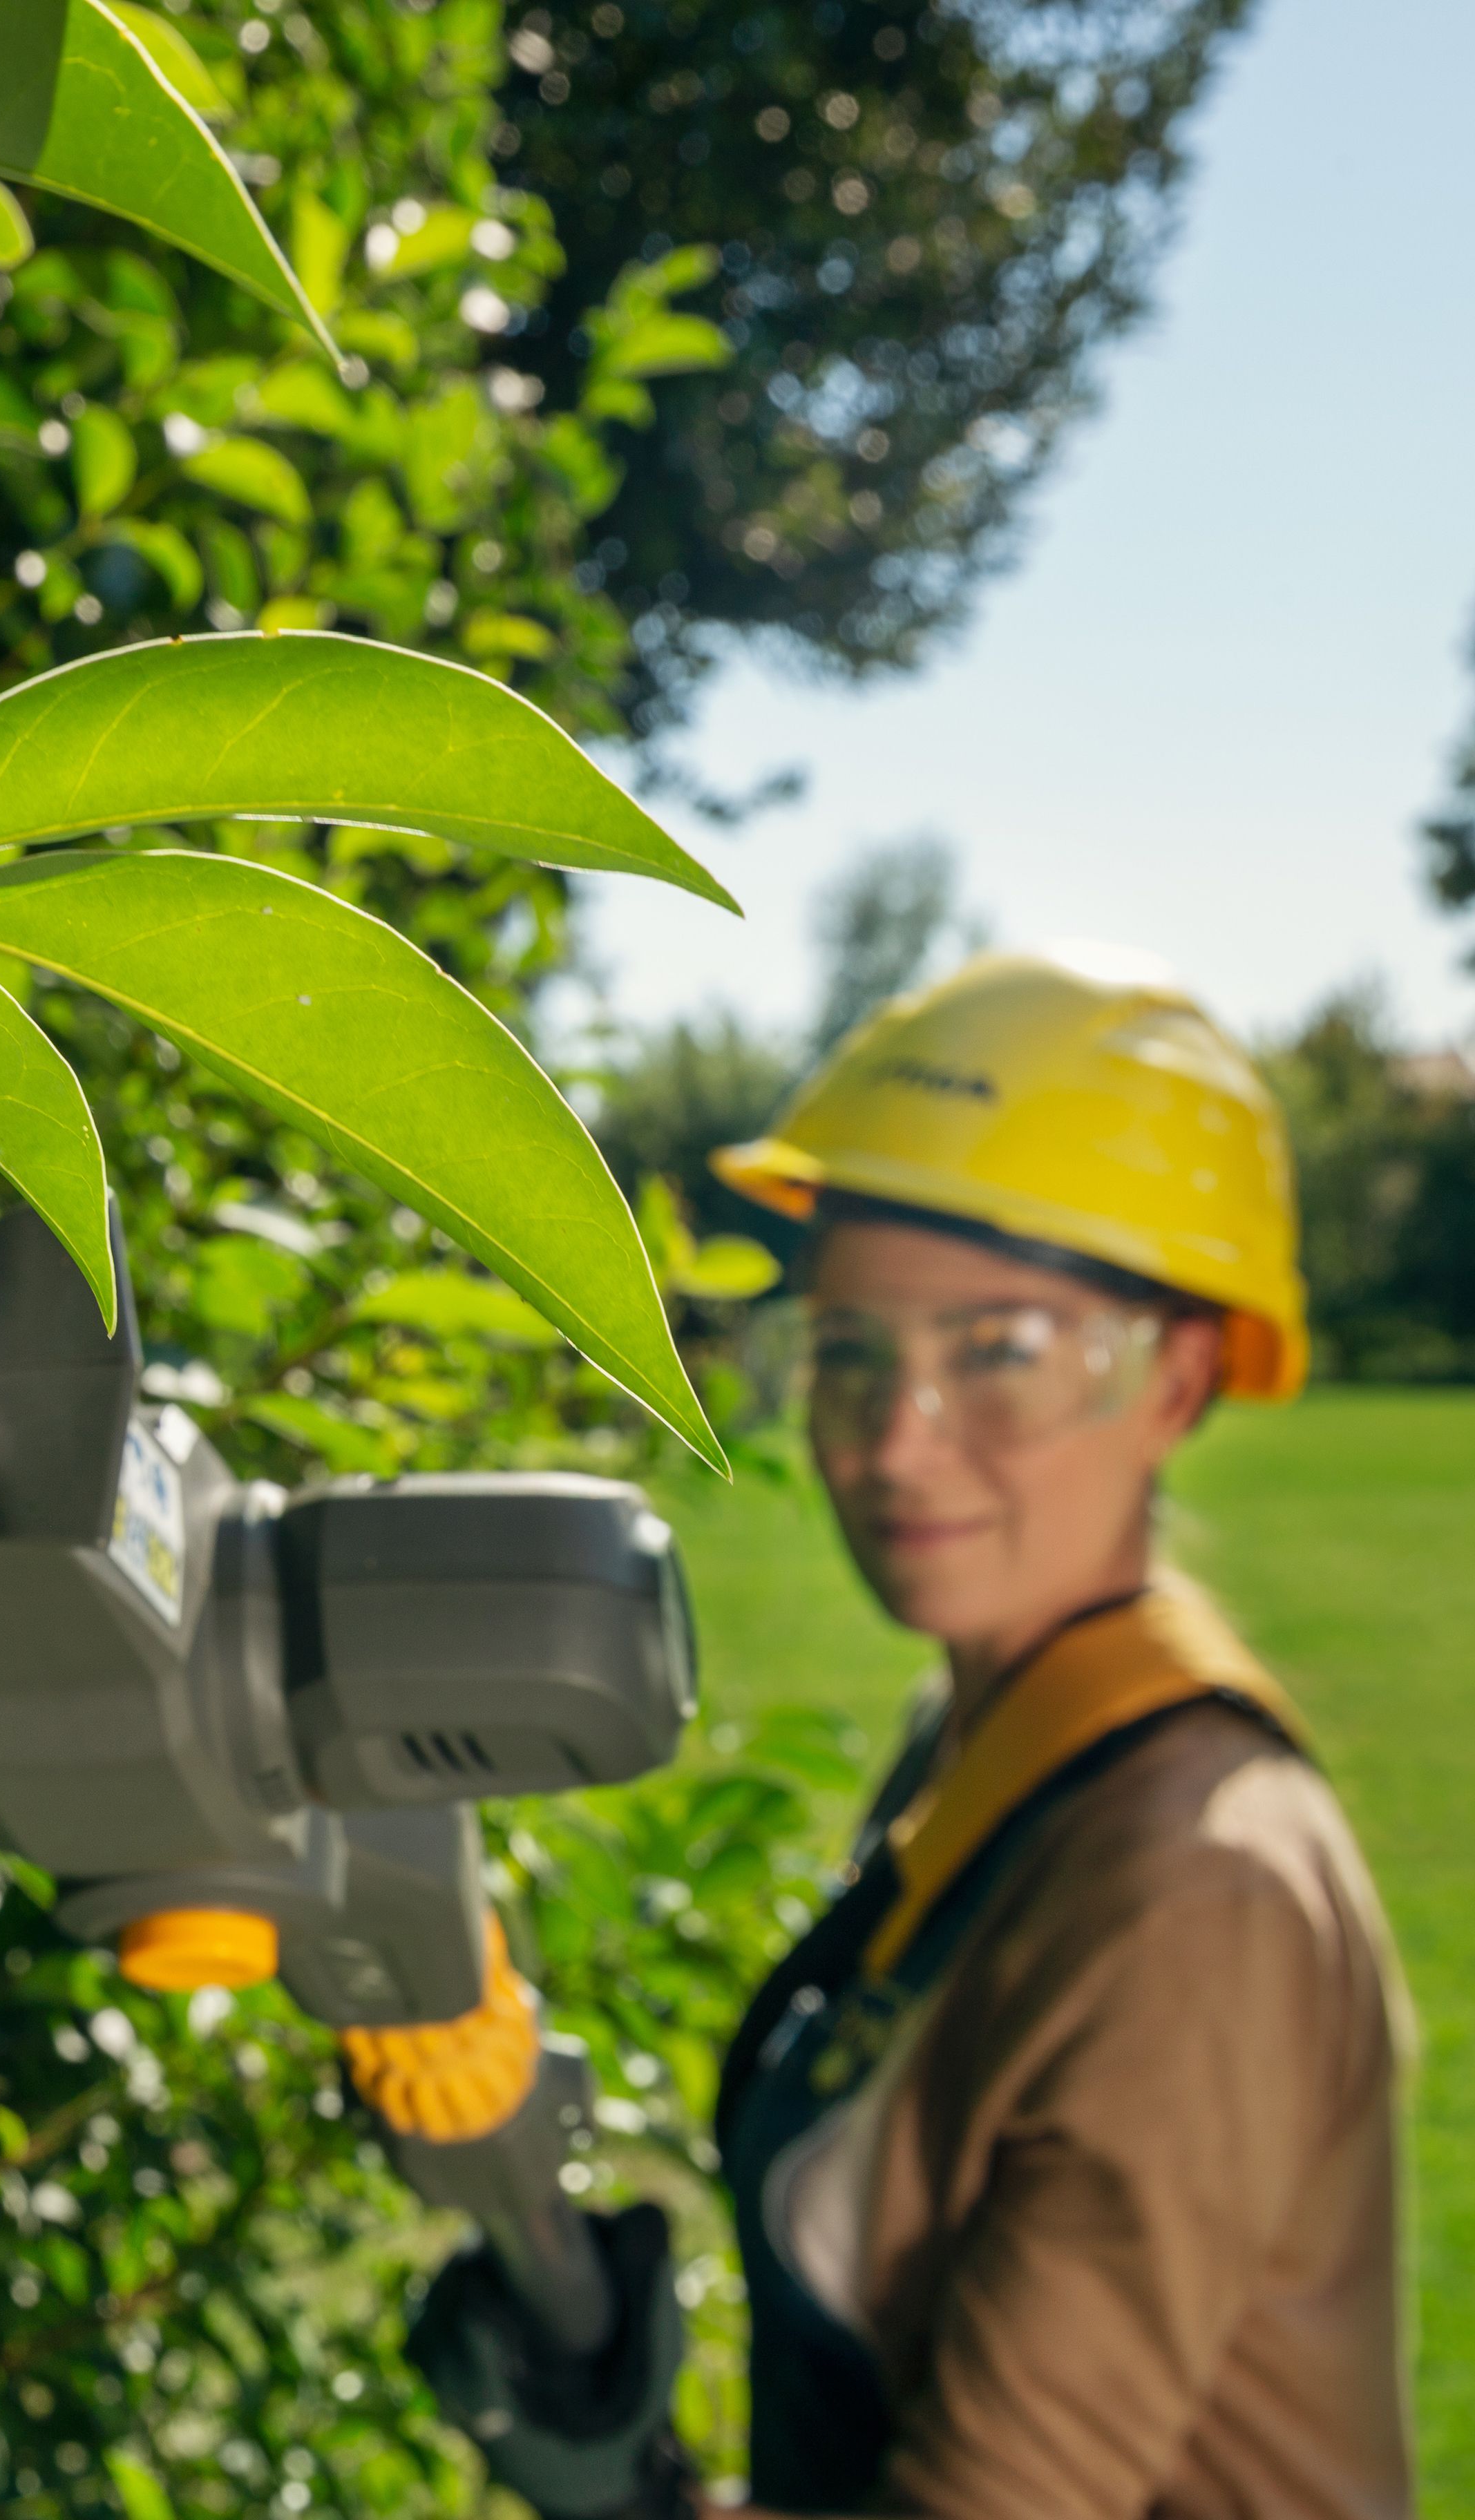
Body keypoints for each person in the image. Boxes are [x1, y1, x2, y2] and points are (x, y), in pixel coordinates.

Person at [413, 948, 1411, 2519]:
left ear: (1180, 1377)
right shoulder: (987, 1745)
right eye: (850, 1352)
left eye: (998, 1353)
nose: (894, 1442)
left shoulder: (1197, 1888)